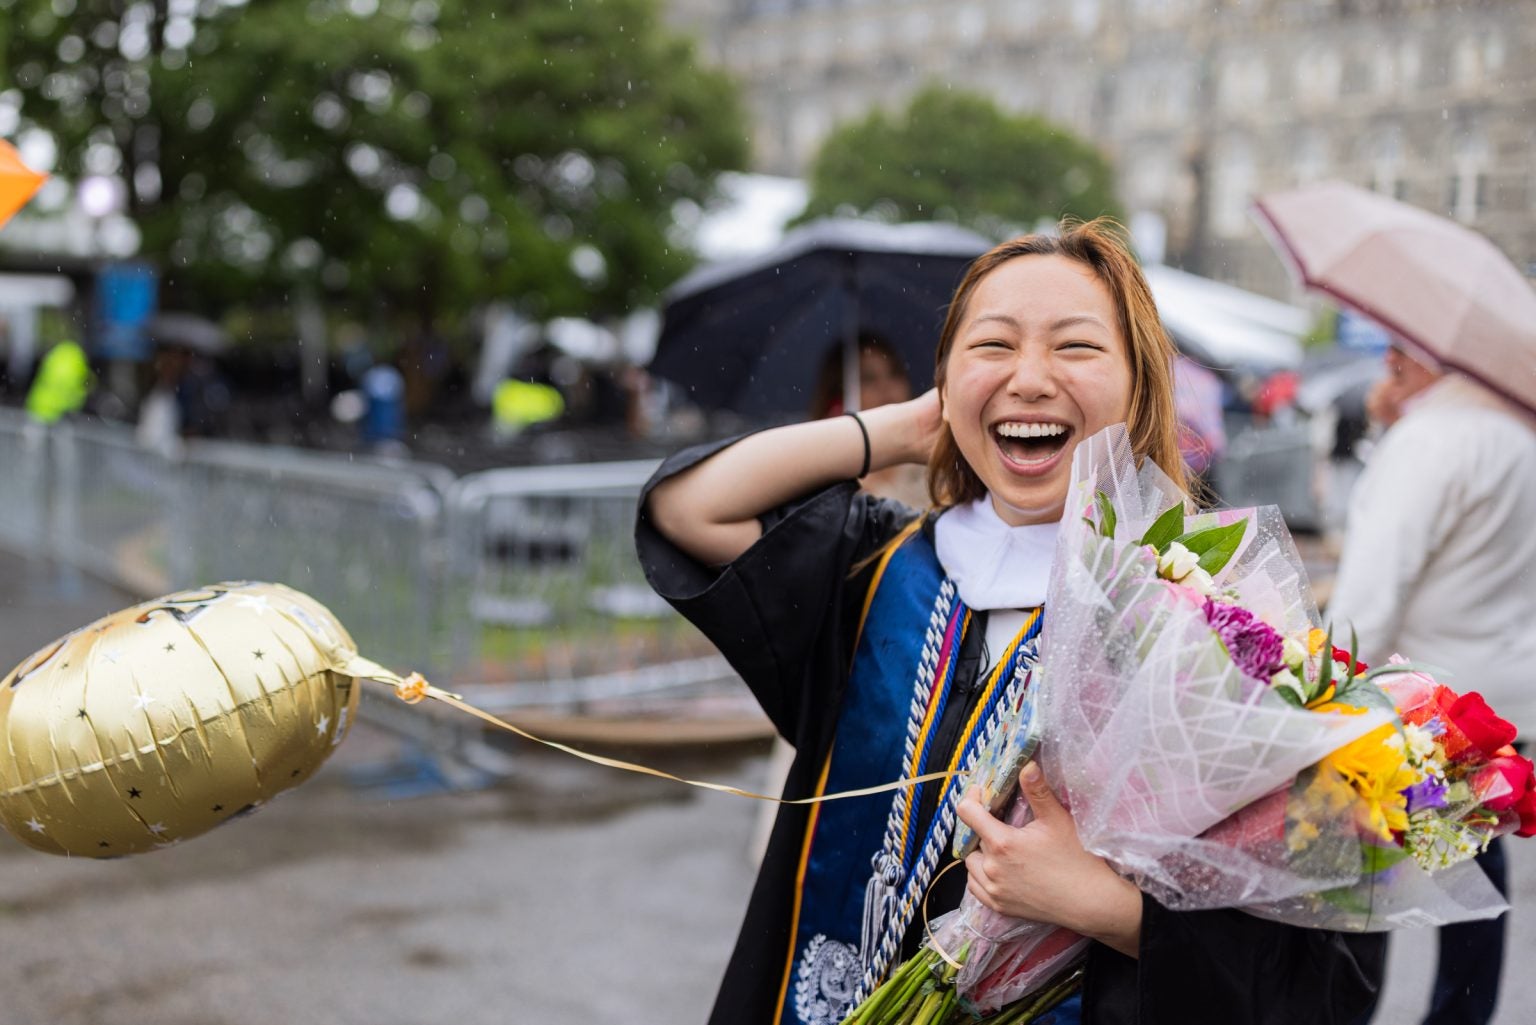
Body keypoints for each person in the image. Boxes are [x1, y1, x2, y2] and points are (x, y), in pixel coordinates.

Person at [638, 220, 1385, 1025]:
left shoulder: (1217, 622)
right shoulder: (877, 564)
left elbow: (1320, 979)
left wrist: (1105, 906)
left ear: (1141, 386)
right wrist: (901, 427)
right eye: (992, 346)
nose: (1029, 378)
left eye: (1076, 347)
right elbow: (688, 509)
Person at [1328, 344, 1536, 1025]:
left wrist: (1322, 686)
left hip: (1423, 703)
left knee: (1359, 875)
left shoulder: (1430, 440)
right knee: (1472, 857)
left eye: (1397, 351)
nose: (1386, 362)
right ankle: (1461, 1014)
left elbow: (1372, 592)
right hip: (1498, 692)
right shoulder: (1515, 431)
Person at [808, 332, 928, 508]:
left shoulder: (934, 464)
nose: (885, 386)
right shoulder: (827, 481)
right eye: (868, 378)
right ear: (840, 395)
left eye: (894, 373)